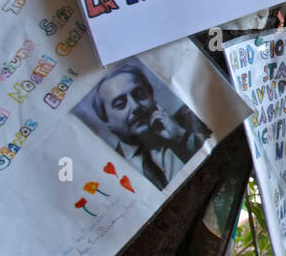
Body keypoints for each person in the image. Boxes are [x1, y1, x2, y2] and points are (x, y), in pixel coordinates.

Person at [90, 62, 210, 191]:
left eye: (140, 95)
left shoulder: (189, 122)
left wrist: (182, 137)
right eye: (120, 104)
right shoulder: (109, 168)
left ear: (152, 96)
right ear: (107, 122)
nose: (135, 106)